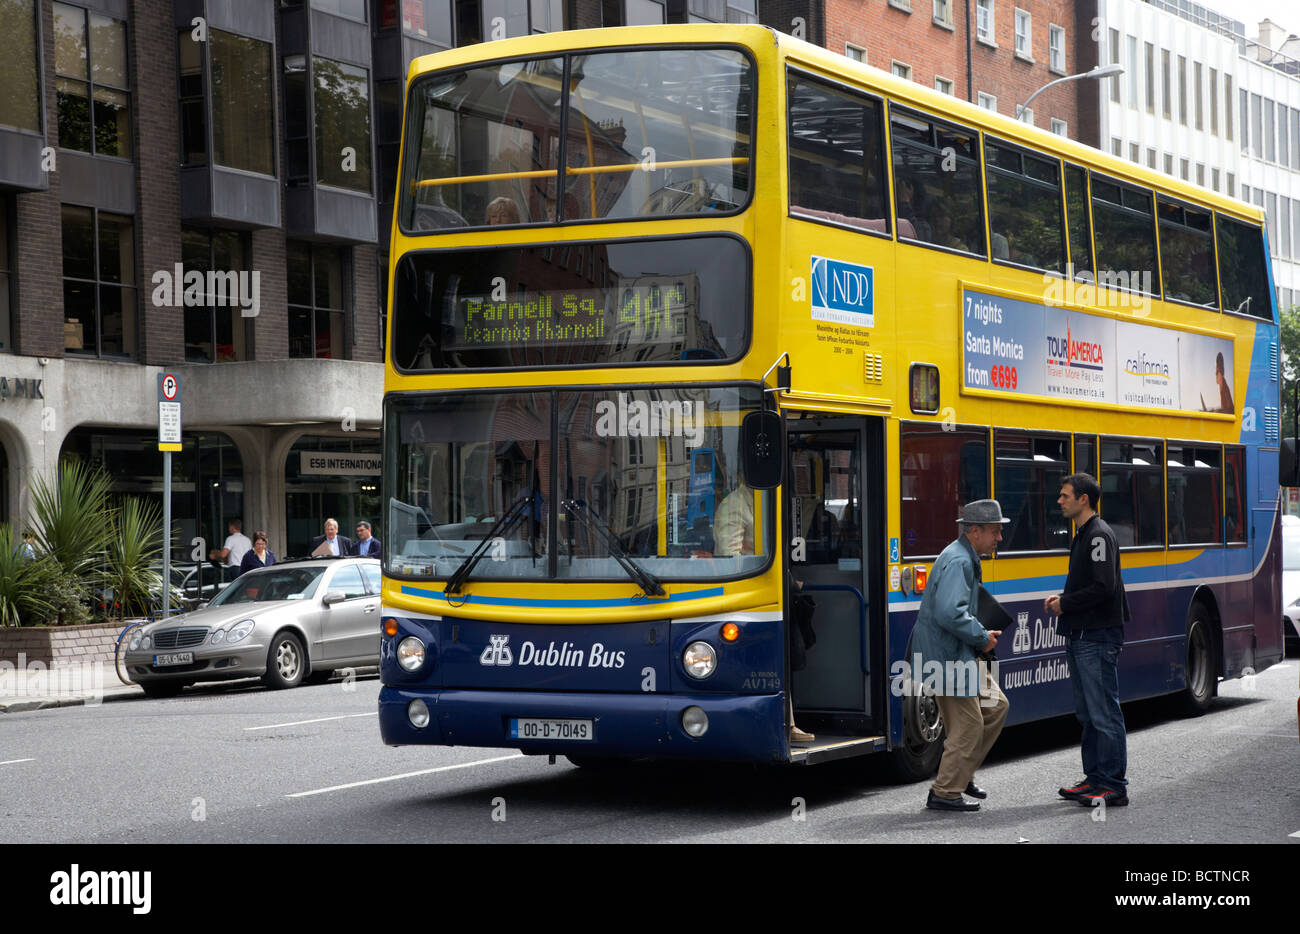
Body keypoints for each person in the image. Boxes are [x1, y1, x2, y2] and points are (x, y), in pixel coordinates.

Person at [909, 499, 1010, 812]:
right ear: (974, 531)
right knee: (968, 726)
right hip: (948, 658)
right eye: (995, 531)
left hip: (957, 654)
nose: (999, 538)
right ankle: (946, 791)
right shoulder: (960, 561)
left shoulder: (962, 555)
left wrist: (980, 635)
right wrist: (981, 637)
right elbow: (951, 614)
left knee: (996, 707)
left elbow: (955, 611)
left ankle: (960, 772)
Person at [1045, 473, 1131, 808]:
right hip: (1082, 634)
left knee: (1104, 712)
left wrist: (1065, 604)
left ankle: (1113, 785)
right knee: (1088, 713)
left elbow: (1102, 587)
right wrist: (1062, 598)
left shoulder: (1097, 535)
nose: (1059, 500)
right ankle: (1094, 779)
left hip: (1096, 636)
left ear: (1083, 499)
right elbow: (1091, 585)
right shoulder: (1085, 534)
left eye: (1065, 495)